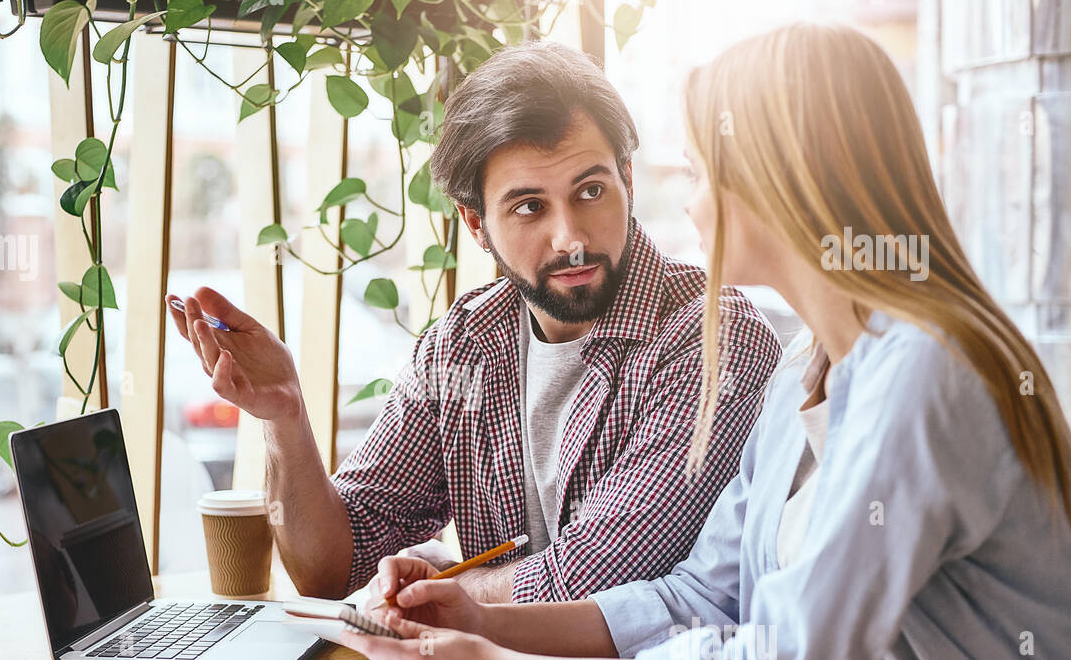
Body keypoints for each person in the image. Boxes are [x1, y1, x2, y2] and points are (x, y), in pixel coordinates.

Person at [343, 23, 1071, 660]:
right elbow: (702, 598)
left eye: (698, 172)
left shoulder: (923, 374)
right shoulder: (807, 370)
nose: (686, 203)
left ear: (777, 180)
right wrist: (485, 624)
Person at [167, 41, 780, 604]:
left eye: (591, 191)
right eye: (529, 207)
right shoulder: (462, 347)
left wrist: (451, 591)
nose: (569, 238)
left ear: (626, 178)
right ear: (477, 225)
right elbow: (332, 570)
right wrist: (286, 416)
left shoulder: (711, 337)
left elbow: (599, 580)